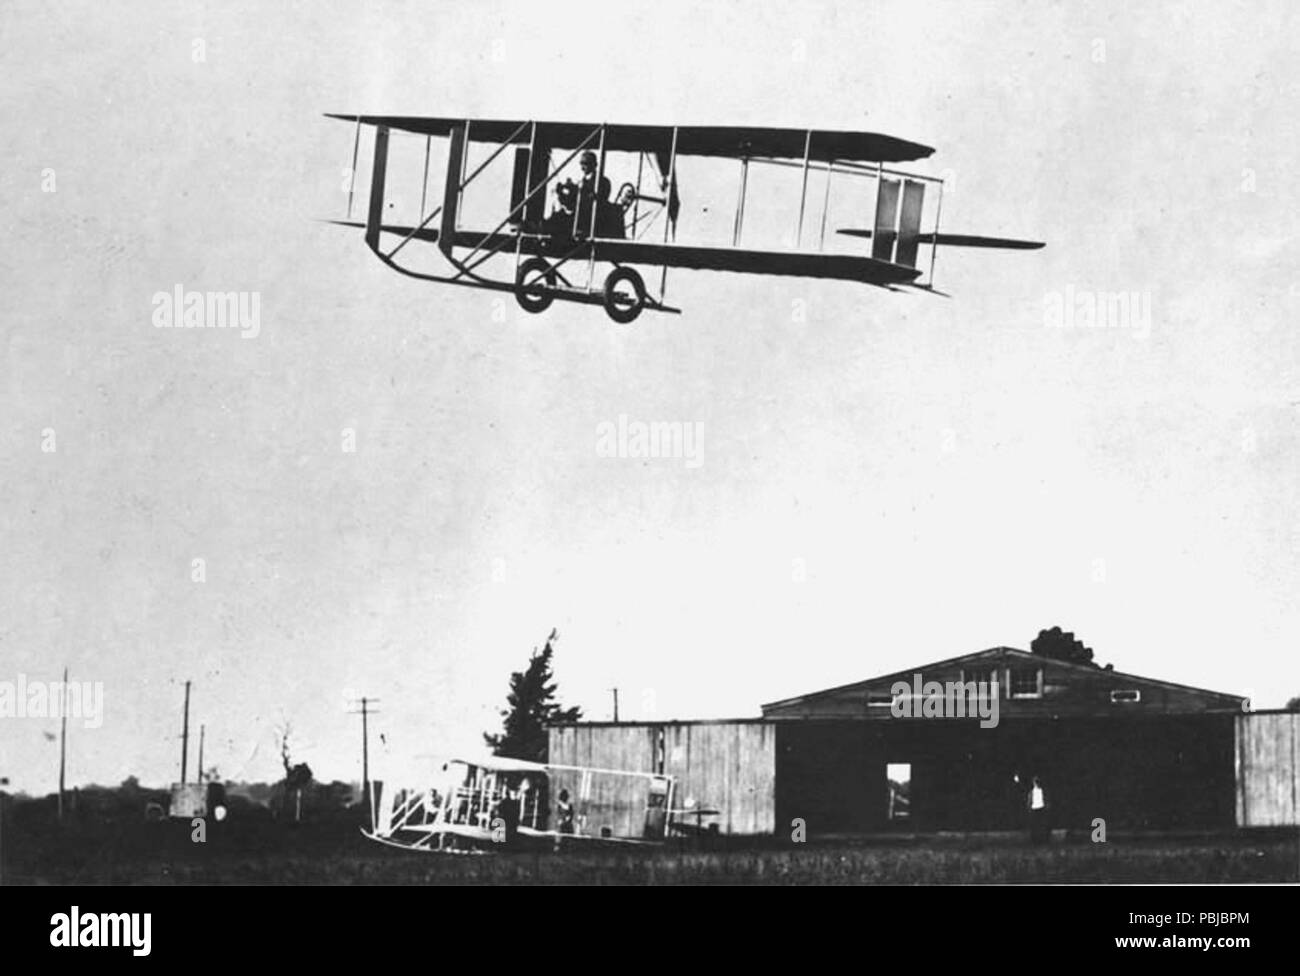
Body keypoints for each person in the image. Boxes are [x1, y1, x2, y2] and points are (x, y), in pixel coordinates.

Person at [1027, 775, 1049, 843]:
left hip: (1041, 809)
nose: (1036, 783)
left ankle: (1042, 839)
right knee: (1034, 826)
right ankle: (1034, 840)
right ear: (1033, 783)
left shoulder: (1043, 791)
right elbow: (1029, 801)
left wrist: (1046, 807)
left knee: (1041, 826)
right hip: (1034, 810)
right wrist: (1029, 809)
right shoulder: (1031, 792)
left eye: (1037, 782)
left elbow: (1046, 800)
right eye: (1035, 782)